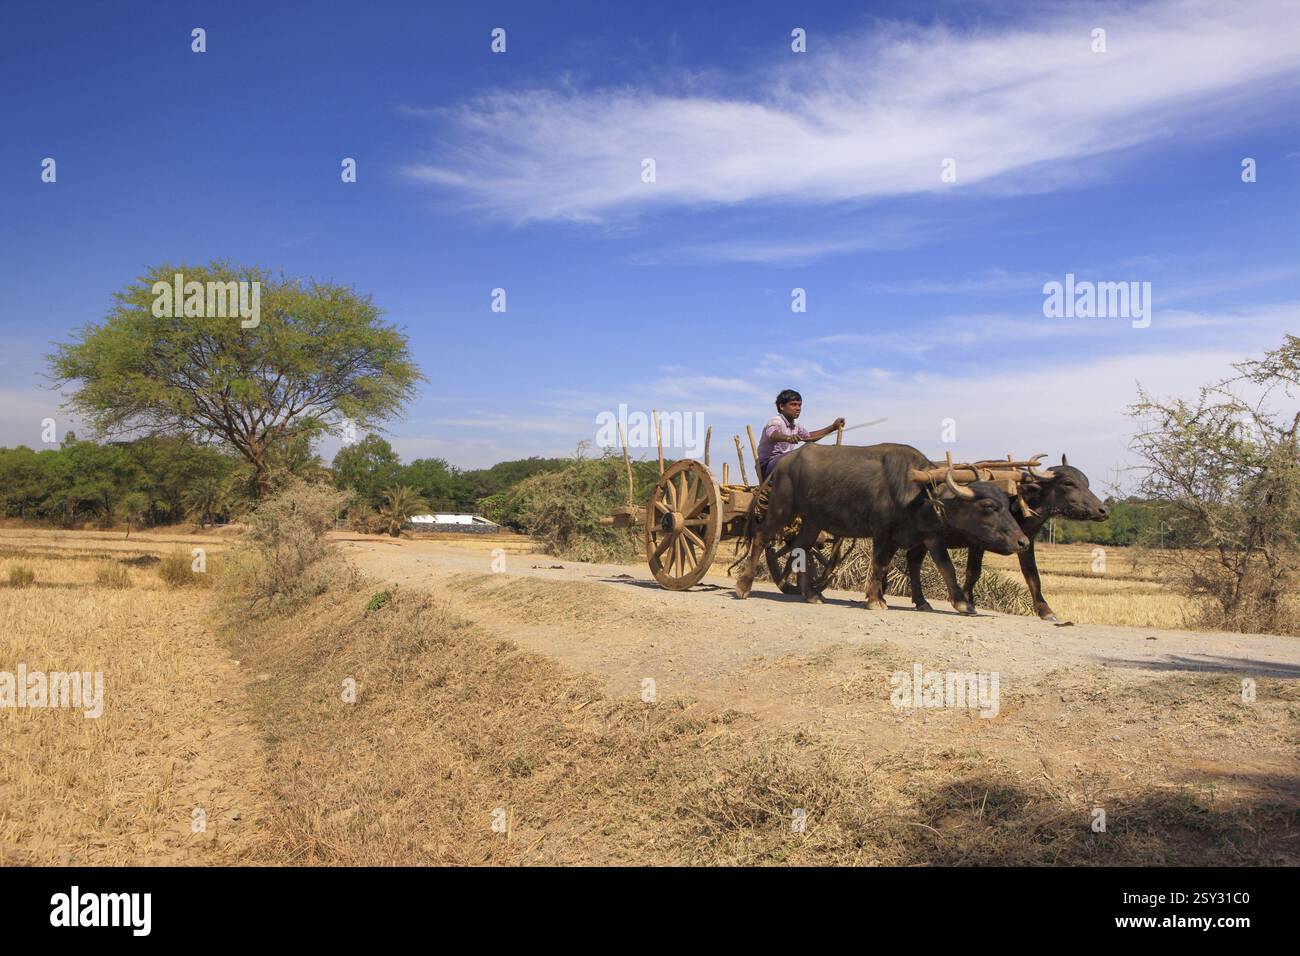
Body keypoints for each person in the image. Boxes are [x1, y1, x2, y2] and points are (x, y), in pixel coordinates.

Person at [757, 389, 845, 480]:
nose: (798, 408)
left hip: (785, 462)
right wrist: (787, 438)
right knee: (801, 454)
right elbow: (772, 435)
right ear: (782, 406)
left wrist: (833, 427)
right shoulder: (776, 420)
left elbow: (809, 437)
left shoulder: (796, 425)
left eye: (799, 405)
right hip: (767, 466)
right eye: (793, 404)